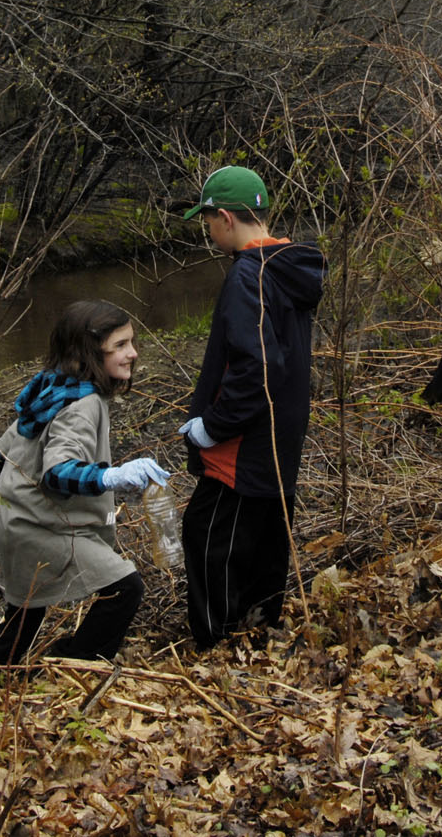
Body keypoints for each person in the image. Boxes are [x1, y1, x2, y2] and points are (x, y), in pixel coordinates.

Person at [0, 299, 171, 666]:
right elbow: (58, 472)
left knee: (26, 610)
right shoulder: (83, 404)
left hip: (19, 519)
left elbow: (7, 444)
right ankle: (77, 660)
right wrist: (110, 476)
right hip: (40, 525)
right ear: (88, 352)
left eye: (131, 342)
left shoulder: (54, 386)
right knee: (124, 587)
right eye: (119, 345)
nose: (133, 353)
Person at [177, 165, 326, 649]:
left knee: (206, 537)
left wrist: (211, 428)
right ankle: (262, 631)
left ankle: (216, 645)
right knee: (264, 535)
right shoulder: (288, 265)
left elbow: (256, 368)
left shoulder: (249, 273)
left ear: (225, 218)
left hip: (243, 444)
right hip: (281, 437)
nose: (208, 232)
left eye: (207, 223)